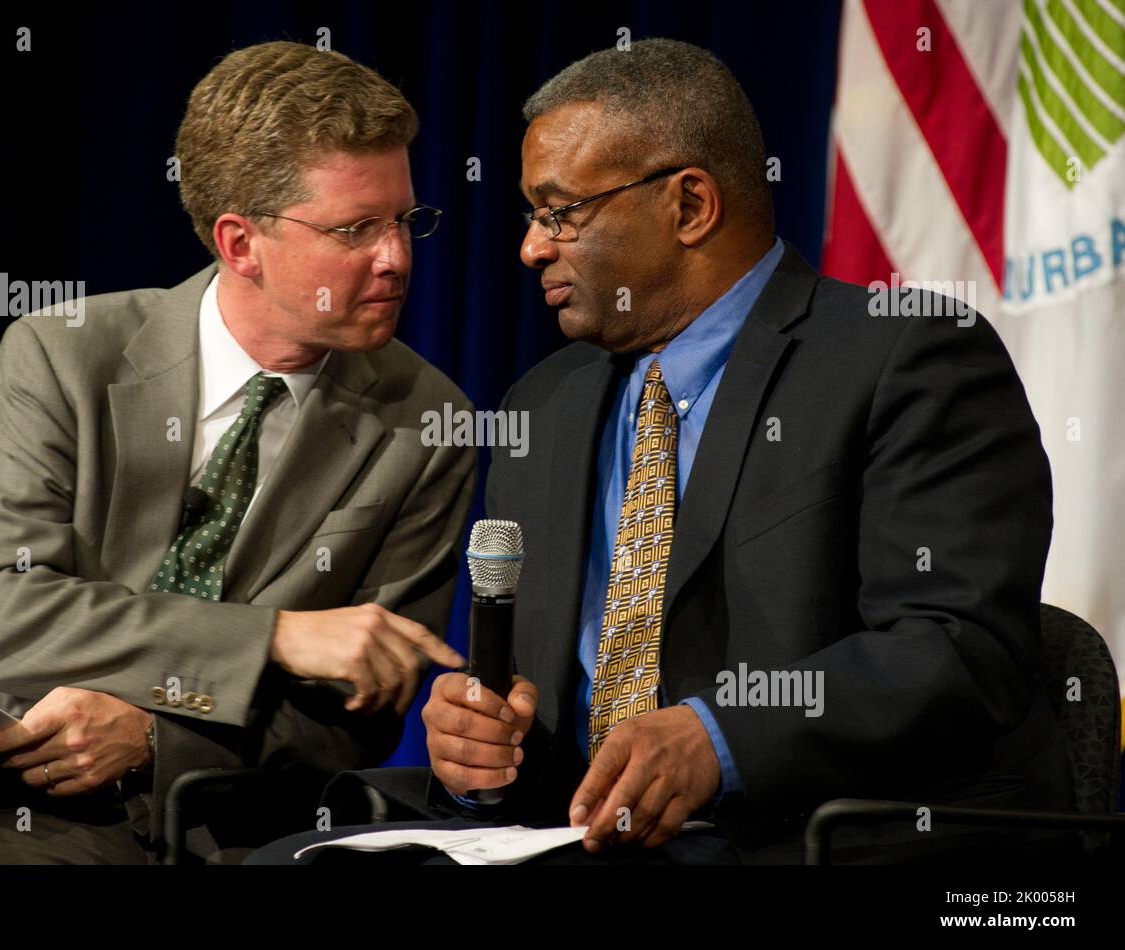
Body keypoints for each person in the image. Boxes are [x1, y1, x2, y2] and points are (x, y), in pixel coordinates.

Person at [248, 38, 1077, 866]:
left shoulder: (904, 357)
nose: (532, 247)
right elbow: (541, 714)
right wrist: (481, 749)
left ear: (688, 206)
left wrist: (717, 740)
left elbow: (955, 646)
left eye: (559, 211)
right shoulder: (546, 403)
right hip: (574, 837)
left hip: (817, 833)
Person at [0, 40, 474, 865]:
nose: (396, 257)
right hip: (8, 758)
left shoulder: (424, 420)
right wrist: (271, 637)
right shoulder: (65, 353)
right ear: (241, 243)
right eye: (356, 229)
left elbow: (360, 719)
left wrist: (153, 735)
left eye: (404, 219)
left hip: (197, 812)